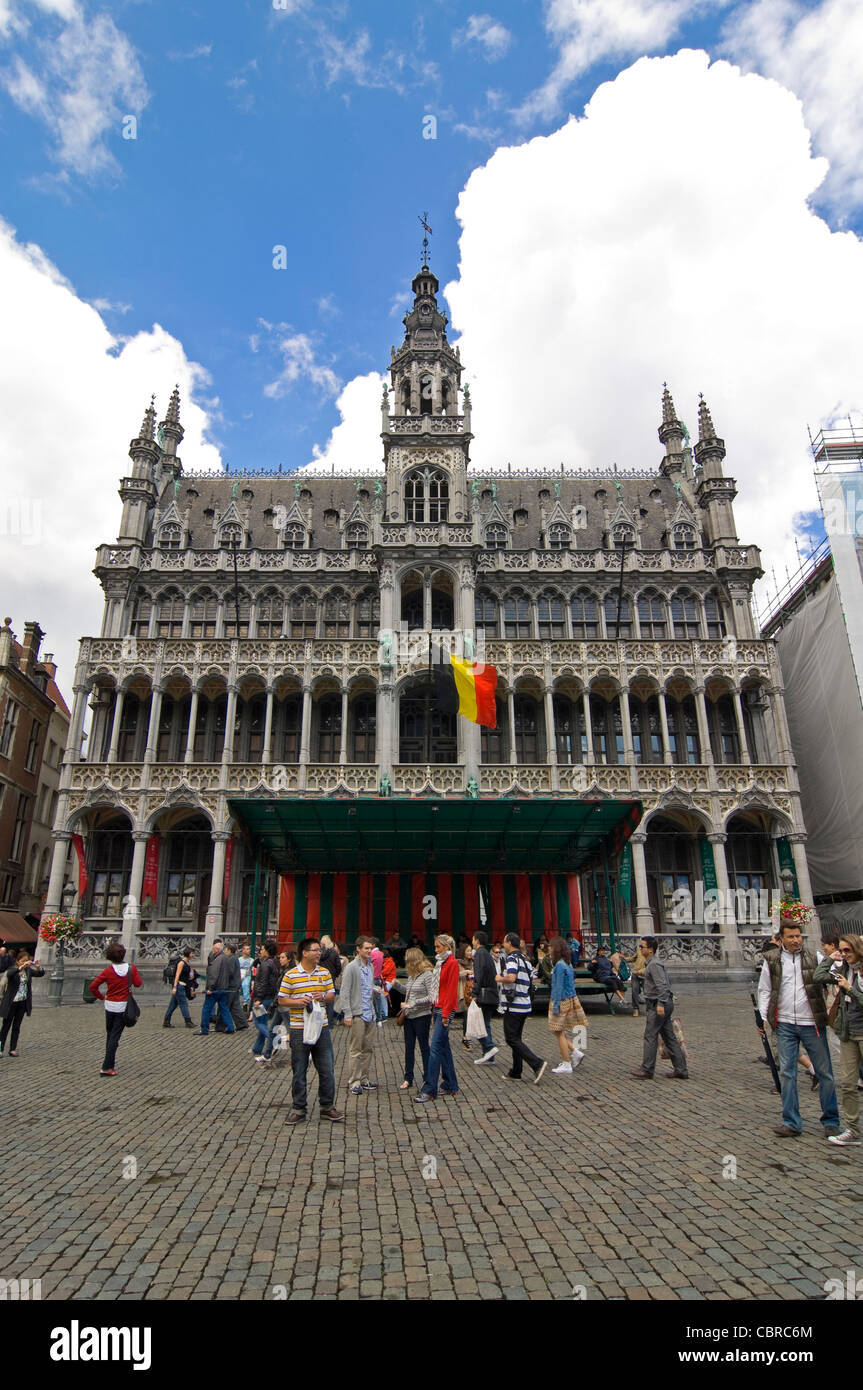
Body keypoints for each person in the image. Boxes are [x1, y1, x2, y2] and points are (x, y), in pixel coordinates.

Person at [756, 920, 840, 1137]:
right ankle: (791, 1121)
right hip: (784, 1023)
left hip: (812, 1023)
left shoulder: (816, 957)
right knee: (787, 1073)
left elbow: (836, 974)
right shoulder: (772, 959)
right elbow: (765, 989)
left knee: (825, 1073)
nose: (795, 940)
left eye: (798, 936)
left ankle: (831, 1120)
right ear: (781, 938)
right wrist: (764, 1018)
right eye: (790, 937)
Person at [278, 938, 343, 1124]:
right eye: (315, 950)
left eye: (319, 950)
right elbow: (282, 999)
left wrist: (322, 996)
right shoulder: (291, 975)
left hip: (321, 1027)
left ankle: (327, 1106)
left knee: (327, 1068)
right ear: (304, 952)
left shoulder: (324, 973)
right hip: (299, 1028)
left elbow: (331, 995)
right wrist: (298, 1002)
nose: (318, 953)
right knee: (299, 1069)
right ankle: (299, 1108)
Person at [814, 935, 863, 1145]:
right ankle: (853, 1129)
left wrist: (850, 989)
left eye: (847, 951)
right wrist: (830, 958)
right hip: (848, 1032)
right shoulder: (843, 969)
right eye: (841, 951)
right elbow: (818, 976)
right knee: (848, 1084)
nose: (844, 955)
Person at [630, 937, 689, 1081]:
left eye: (642, 946)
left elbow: (662, 986)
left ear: (650, 949)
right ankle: (681, 1069)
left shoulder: (654, 964)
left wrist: (661, 1004)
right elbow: (652, 975)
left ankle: (647, 1069)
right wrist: (641, 973)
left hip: (658, 1004)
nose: (640, 948)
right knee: (669, 1037)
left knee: (650, 1036)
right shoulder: (651, 964)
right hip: (660, 1003)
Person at [496, 931, 547, 1085]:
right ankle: (516, 1071)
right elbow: (533, 976)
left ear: (510, 943)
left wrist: (500, 978)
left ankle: (536, 1063)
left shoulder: (511, 958)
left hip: (514, 1005)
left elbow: (511, 978)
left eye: (504, 942)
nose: (503, 945)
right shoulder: (524, 959)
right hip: (524, 1004)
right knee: (516, 1039)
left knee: (511, 1039)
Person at [414, 934, 460, 1103]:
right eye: (435, 947)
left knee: (434, 1048)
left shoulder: (452, 964)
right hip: (439, 1008)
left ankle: (429, 1088)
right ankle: (450, 1083)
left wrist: (446, 1015)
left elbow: (450, 990)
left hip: (445, 1009)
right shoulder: (442, 963)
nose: (436, 950)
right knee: (443, 1047)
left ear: (447, 947)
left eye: (438, 947)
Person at [89, 942, 142, 1076]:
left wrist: (102, 997)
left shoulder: (107, 971)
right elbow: (138, 984)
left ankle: (109, 1063)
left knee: (110, 1034)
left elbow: (92, 987)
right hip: (122, 1006)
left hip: (110, 1005)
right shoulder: (131, 969)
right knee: (115, 1036)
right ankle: (107, 1067)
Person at [341, 936, 380, 1095]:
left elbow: (367, 987)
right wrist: (348, 1013)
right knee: (356, 1049)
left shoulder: (370, 966)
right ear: (358, 949)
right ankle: (354, 1081)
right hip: (358, 1013)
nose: (369, 951)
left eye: (371, 948)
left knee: (368, 1048)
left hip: (370, 1012)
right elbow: (345, 991)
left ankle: (364, 1078)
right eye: (366, 948)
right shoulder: (351, 967)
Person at [392, 947, 435, 1089]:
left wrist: (414, 1003)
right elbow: (408, 992)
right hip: (409, 1016)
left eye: (406, 957)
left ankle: (428, 1076)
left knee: (424, 1047)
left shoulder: (427, 975)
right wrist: (397, 985)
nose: (404, 960)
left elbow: (432, 997)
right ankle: (408, 1077)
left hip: (422, 1015)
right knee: (409, 1047)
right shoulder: (412, 975)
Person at [0, 948, 45, 1057]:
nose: (25, 963)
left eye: (27, 961)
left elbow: (40, 974)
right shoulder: (13, 969)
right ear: (18, 961)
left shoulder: (28, 971)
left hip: (22, 1002)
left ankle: (12, 1049)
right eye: (23, 961)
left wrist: (38, 967)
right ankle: (0, 1049)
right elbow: (9, 974)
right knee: (6, 1026)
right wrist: (20, 967)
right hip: (12, 1002)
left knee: (17, 1026)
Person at [548, 937, 583, 1073]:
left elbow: (558, 987)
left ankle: (567, 1062)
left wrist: (556, 1006)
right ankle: (575, 1052)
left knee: (558, 1031)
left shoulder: (559, 965)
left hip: (561, 1001)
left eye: (551, 947)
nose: (549, 949)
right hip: (568, 999)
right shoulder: (567, 964)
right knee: (558, 1031)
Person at [470, 932, 499, 1065]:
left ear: (477, 940)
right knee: (485, 1023)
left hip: (484, 994)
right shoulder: (486, 954)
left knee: (479, 1023)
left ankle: (489, 1047)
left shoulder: (480, 954)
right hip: (491, 993)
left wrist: (474, 993)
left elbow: (479, 974)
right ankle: (489, 1054)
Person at [195, 941, 236, 1036]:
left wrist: (210, 988)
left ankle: (204, 1029)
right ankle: (230, 1027)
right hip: (223, 988)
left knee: (206, 1009)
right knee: (224, 1008)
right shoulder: (226, 958)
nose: (212, 951)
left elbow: (213, 975)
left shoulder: (217, 960)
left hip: (215, 990)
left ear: (217, 950)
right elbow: (229, 973)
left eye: (213, 949)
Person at [251, 940, 281, 1061]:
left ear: (267, 951)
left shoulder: (264, 965)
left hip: (263, 999)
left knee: (258, 1022)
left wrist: (258, 999)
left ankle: (274, 1040)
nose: (260, 952)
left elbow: (262, 983)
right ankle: (257, 1048)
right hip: (270, 997)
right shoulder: (275, 963)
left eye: (262, 949)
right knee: (262, 1022)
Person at [162, 948, 195, 1029]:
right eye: (192, 953)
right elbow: (177, 975)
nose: (193, 955)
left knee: (172, 1005)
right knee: (184, 1004)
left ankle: (166, 1021)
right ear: (188, 953)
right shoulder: (181, 962)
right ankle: (188, 1021)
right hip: (179, 986)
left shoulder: (187, 962)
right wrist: (175, 987)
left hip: (183, 985)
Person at [319, 935, 342, 1027]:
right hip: (330, 978)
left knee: (320, 999)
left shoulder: (319, 953)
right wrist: (334, 975)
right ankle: (330, 1022)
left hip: (320, 978)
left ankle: (321, 1021)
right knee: (330, 999)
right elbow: (338, 967)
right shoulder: (334, 953)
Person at [621, 940, 648, 1016]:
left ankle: (649, 1009)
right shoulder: (639, 950)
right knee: (634, 991)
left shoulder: (649, 952)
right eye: (640, 945)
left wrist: (642, 971)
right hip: (635, 973)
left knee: (647, 992)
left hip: (644, 975)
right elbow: (633, 958)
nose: (640, 947)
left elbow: (650, 965)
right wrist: (625, 959)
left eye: (642, 945)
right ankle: (635, 1009)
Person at [238, 943, 254, 1013]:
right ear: (243, 950)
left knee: (245, 985)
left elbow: (253, 971)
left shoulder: (251, 960)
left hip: (247, 976)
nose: (247, 951)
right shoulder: (238, 960)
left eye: (248, 949)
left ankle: (245, 1003)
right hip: (238, 976)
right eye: (246, 949)